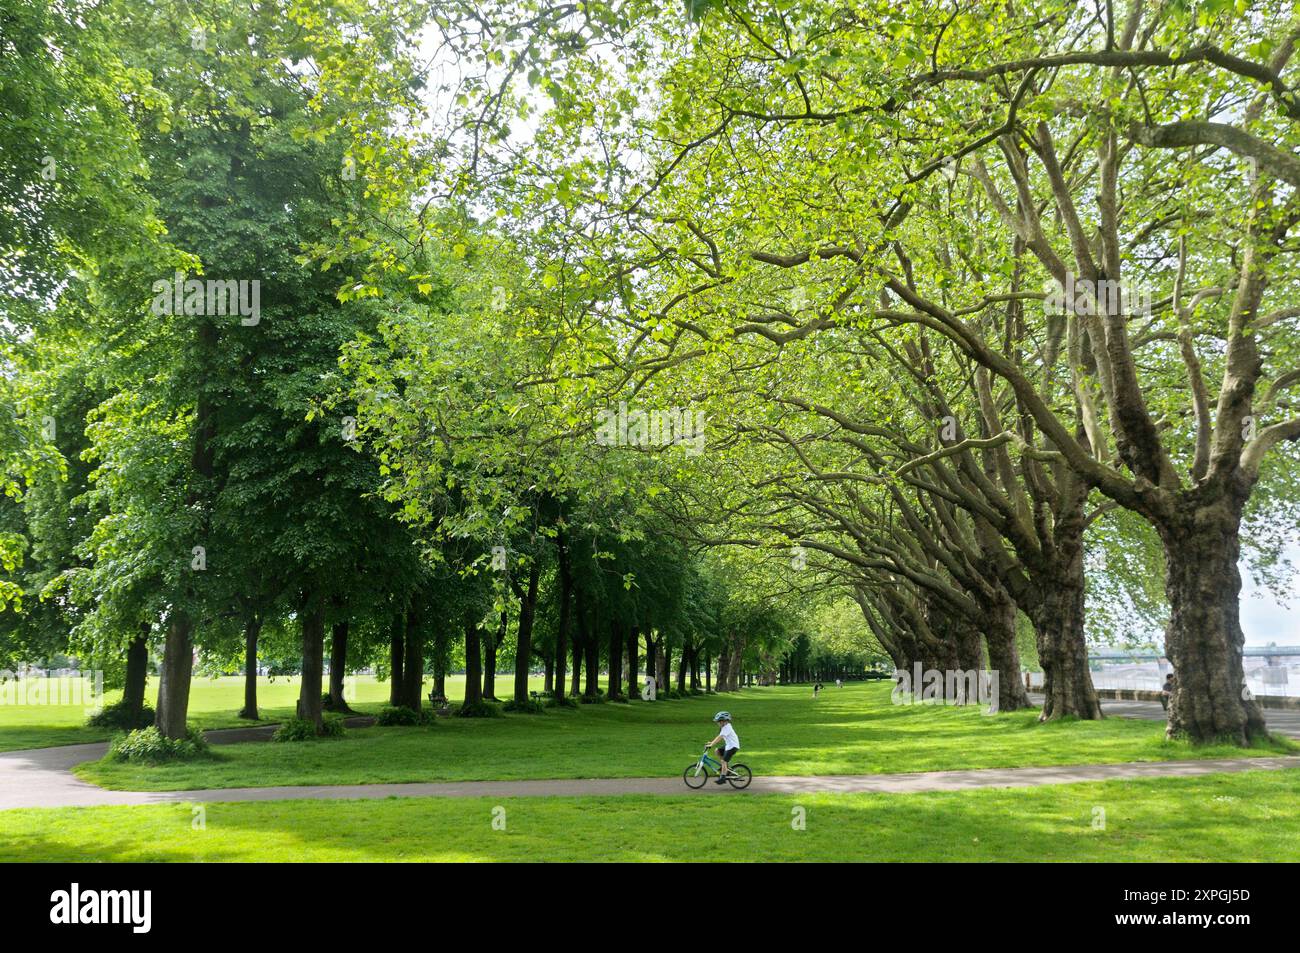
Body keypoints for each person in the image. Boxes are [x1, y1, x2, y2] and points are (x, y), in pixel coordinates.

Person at [706, 711, 740, 784]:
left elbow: (720, 737)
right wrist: (711, 743)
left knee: (724, 761)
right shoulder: (725, 727)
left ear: (724, 721)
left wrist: (711, 744)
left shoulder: (727, 728)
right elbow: (719, 736)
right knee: (717, 751)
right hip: (729, 745)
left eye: (719, 721)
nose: (718, 723)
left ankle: (723, 778)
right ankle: (725, 768)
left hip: (733, 746)